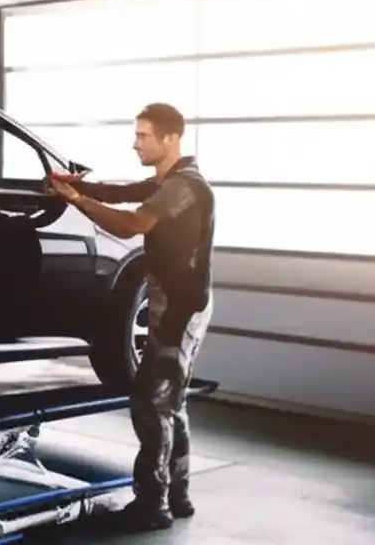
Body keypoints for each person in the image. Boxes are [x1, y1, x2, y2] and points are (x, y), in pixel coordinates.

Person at [45, 102, 215, 531]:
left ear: (171, 139)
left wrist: (76, 199)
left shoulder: (183, 187)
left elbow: (132, 224)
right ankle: (178, 495)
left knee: (151, 401)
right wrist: (78, 184)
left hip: (180, 307)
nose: (135, 142)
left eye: (143, 136)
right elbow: (123, 192)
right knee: (170, 403)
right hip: (178, 302)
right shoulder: (169, 180)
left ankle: (152, 504)